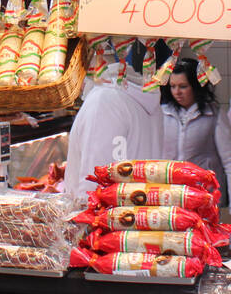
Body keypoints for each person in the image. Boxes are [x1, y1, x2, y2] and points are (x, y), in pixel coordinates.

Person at [64, 41, 166, 201]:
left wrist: (83, 220)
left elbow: (93, 183)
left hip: (109, 221)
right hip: (137, 217)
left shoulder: (104, 101)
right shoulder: (149, 102)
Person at [161, 58, 231, 232]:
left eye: (183, 86)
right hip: (169, 198)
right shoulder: (161, 114)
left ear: (196, 86)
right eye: (173, 87)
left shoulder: (213, 114)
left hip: (205, 199)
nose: (177, 92)